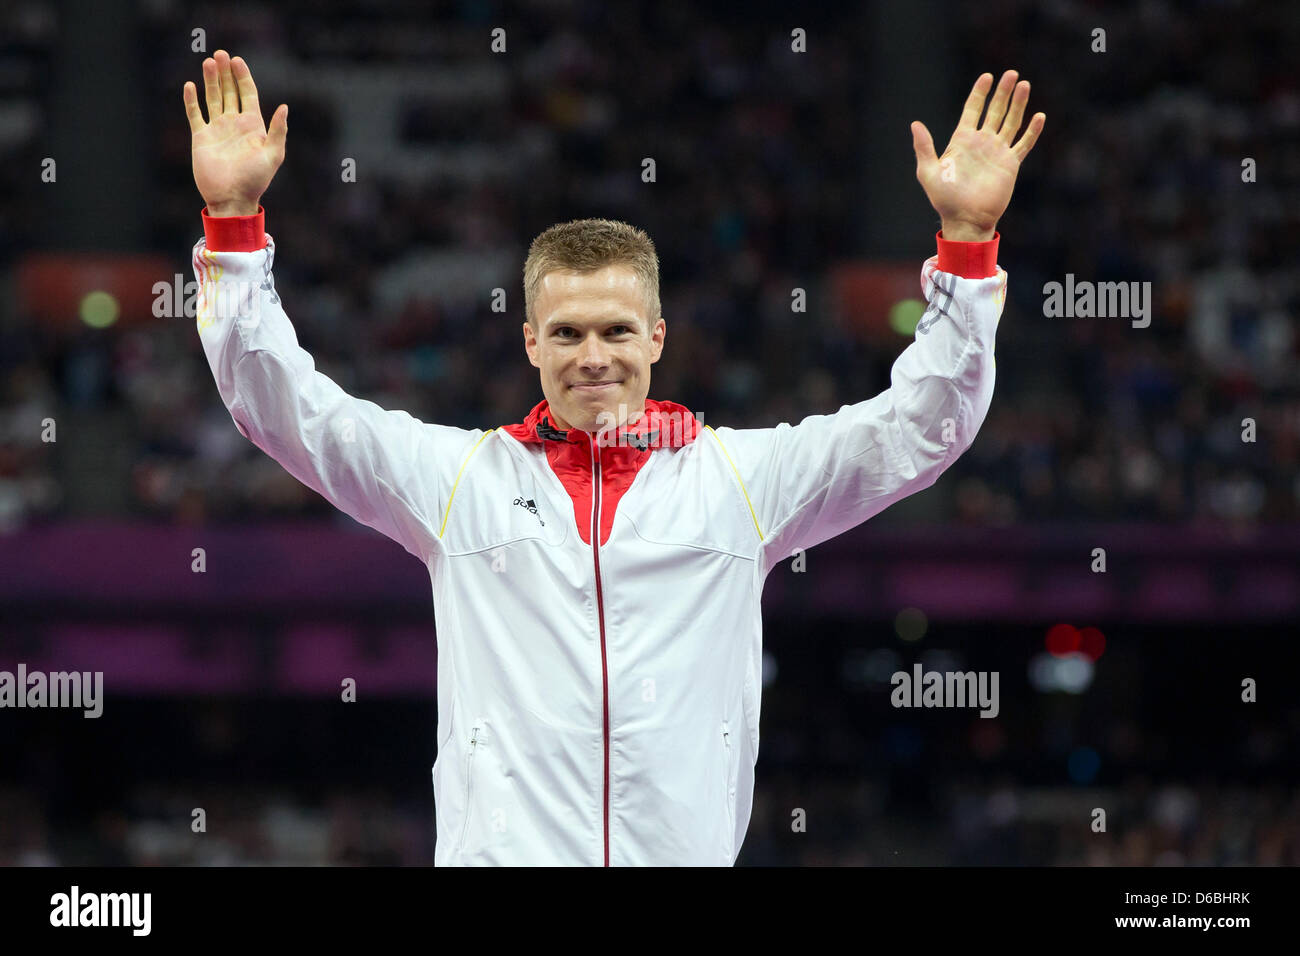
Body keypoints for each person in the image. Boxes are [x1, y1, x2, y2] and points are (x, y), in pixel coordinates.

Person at [182, 50, 1044, 865]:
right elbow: (286, 408)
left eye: (616, 330)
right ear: (530, 343)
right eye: (567, 333)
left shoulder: (742, 483)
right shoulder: (459, 485)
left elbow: (922, 425)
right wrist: (233, 227)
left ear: (658, 337)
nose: (593, 356)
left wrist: (966, 242)